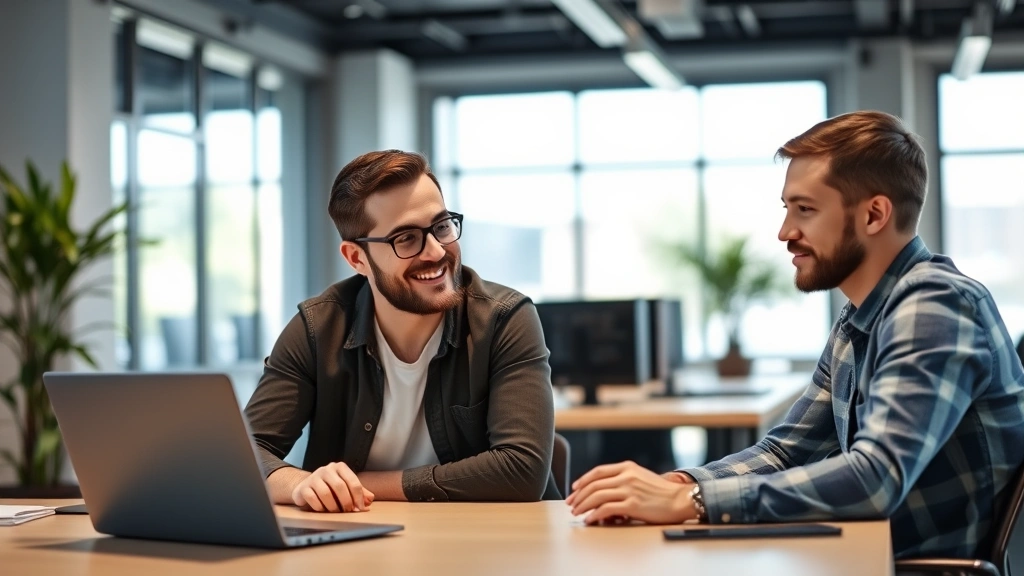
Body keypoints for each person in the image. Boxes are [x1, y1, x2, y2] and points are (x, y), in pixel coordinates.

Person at [567, 111, 1024, 560]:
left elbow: (876, 476)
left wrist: (694, 504)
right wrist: (681, 485)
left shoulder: (934, 304)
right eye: (787, 209)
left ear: (874, 214)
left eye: (805, 209)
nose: (785, 232)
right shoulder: (859, 318)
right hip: (867, 560)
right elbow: (786, 451)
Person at [246, 149, 560, 513]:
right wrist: (300, 484)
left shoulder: (505, 318)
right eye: (406, 238)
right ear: (356, 258)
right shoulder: (318, 328)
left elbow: (521, 470)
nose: (436, 251)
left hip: (489, 546)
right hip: (360, 544)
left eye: (441, 226)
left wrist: (358, 485)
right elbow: (243, 451)